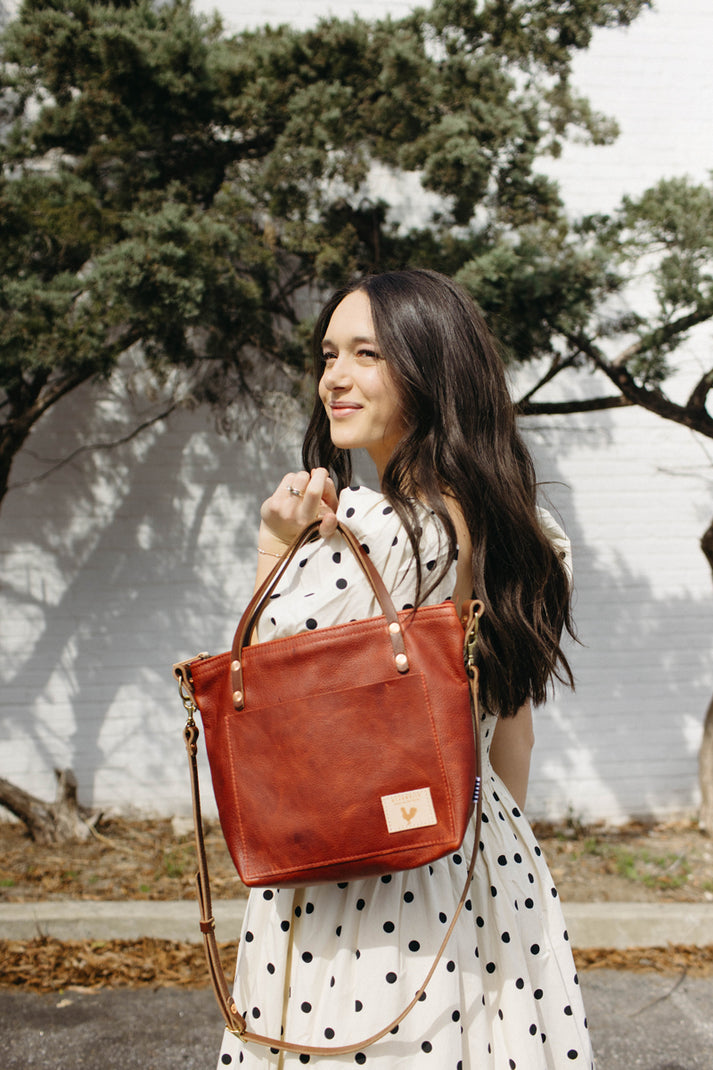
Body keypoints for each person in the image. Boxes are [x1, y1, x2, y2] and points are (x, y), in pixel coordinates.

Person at [216, 269, 594, 1069]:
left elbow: (263, 702)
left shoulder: (376, 530)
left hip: (361, 867)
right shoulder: (523, 530)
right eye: (327, 355)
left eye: (367, 355)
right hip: (484, 850)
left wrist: (274, 549)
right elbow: (511, 735)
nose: (335, 379)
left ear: (430, 370)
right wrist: (474, 856)